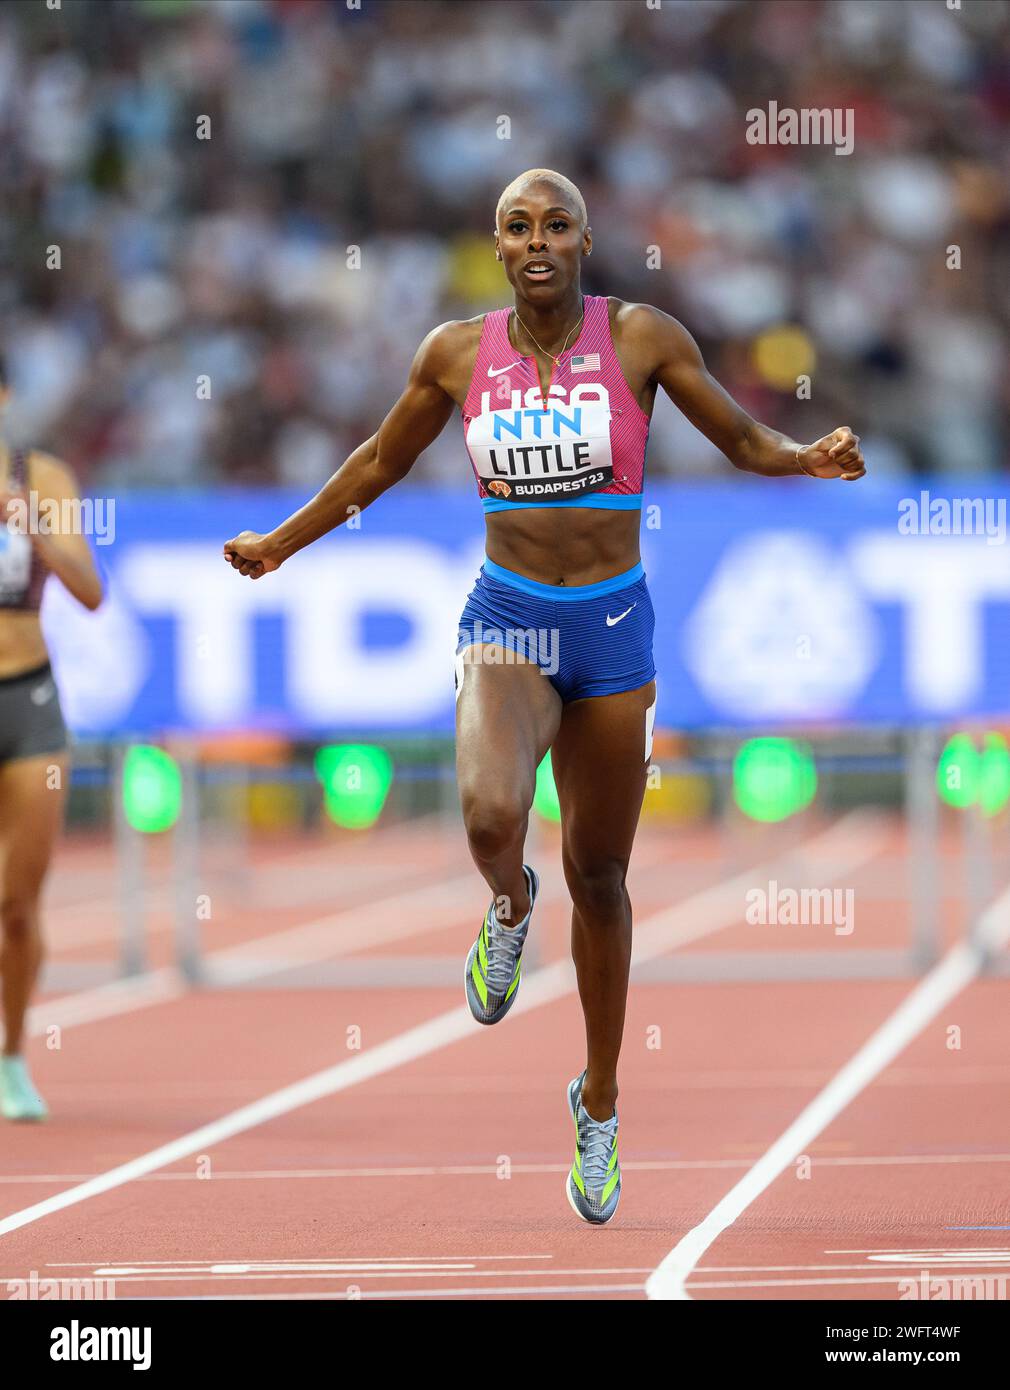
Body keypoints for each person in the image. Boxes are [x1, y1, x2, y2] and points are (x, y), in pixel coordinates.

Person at [223, 169, 864, 1223]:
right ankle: (509, 906)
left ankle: (598, 1102)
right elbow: (378, 462)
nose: (535, 241)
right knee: (488, 812)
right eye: (516, 226)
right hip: (507, 615)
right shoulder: (453, 354)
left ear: (582, 240)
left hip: (613, 625)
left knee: (602, 877)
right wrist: (280, 545)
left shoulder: (644, 339)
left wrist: (807, 456)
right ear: (495, 244)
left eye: (554, 225)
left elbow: (742, 440)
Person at [0, 356, 104, 1120]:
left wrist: (33, 525)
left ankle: (11, 1056)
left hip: (29, 696)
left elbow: (91, 592)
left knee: (16, 903)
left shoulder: (43, 476)